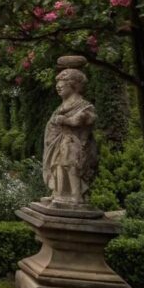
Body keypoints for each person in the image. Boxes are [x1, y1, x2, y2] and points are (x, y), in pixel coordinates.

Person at [43, 67, 98, 206]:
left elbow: (87, 120)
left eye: (62, 83)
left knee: (71, 166)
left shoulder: (83, 105)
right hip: (60, 142)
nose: (58, 87)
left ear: (73, 85)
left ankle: (76, 196)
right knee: (58, 166)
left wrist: (66, 121)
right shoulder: (62, 106)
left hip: (73, 142)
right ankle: (59, 194)